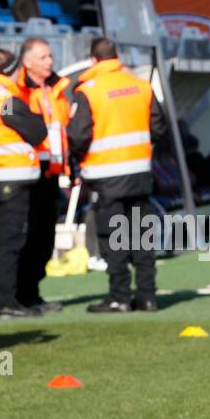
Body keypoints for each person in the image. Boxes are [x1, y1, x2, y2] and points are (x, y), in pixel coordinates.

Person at [68, 37, 169, 313]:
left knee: (113, 237)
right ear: (117, 57)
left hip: (105, 175)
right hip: (139, 173)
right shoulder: (140, 86)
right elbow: (160, 128)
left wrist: (78, 161)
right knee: (141, 234)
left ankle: (119, 297)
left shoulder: (88, 90)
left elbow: (77, 135)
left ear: (92, 60)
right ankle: (148, 296)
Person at [0, 49, 47, 319]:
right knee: (9, 243)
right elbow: (39, 132)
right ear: (12, 70)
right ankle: (5, 303)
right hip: (11, 180)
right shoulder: (7, 100)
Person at [18, 38, 71, 314]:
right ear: (27, 62)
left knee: (44, 237)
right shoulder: (19, 91)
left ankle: (33, 292)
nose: (49, 62)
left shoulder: (56, 90)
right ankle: (21, 294)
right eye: (43, 57)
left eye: (50, 56)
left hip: (51, 171)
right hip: (28, 172)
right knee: (29, 235)